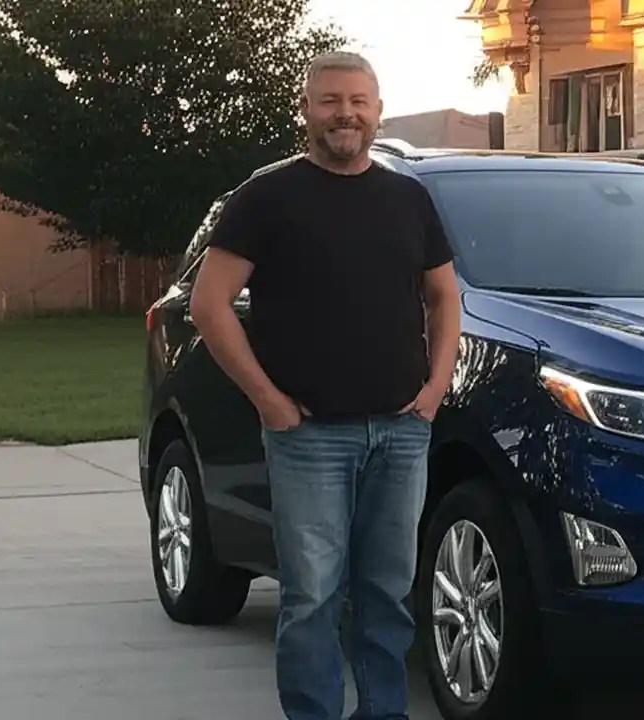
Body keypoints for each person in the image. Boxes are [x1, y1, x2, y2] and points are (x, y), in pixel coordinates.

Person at [189, 51, 461, 720]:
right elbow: (208, 303)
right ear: (306, 109)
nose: (347, 113)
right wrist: (269, 400)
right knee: (310, 596)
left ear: (377, 110)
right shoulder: (268, 198)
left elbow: (444, 296)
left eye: (359, 101)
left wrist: (435, 389)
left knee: (388, 593)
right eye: (332, 100)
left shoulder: (409, 198)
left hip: (400, 432)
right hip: (309, 437)